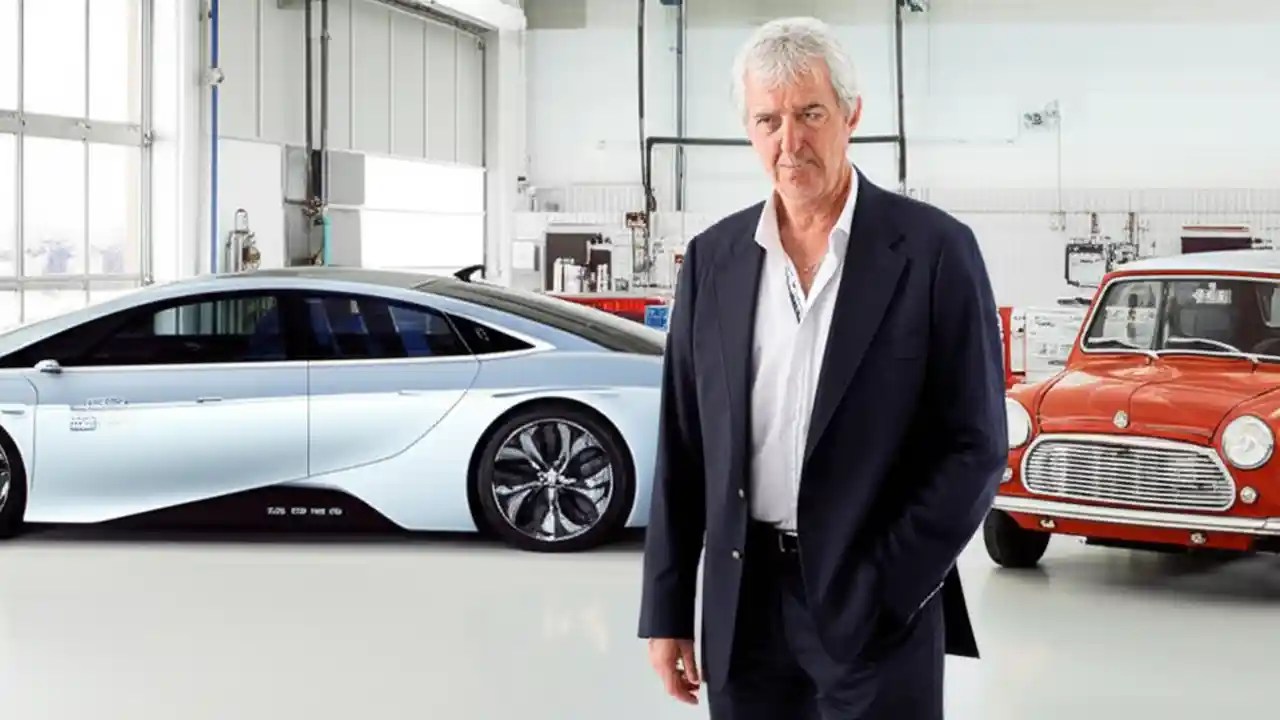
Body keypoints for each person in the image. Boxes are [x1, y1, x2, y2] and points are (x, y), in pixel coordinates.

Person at [637, 16, 1007, 720]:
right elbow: (685, 445)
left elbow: (976, 445)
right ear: (748, 128)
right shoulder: (713, 259)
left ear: (851, 114)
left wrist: (888, 583)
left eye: (810, 114)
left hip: (876, 602)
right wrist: (667, 606)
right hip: (743, 604)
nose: (789, 141)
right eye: (767, 120)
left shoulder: (934, 252)